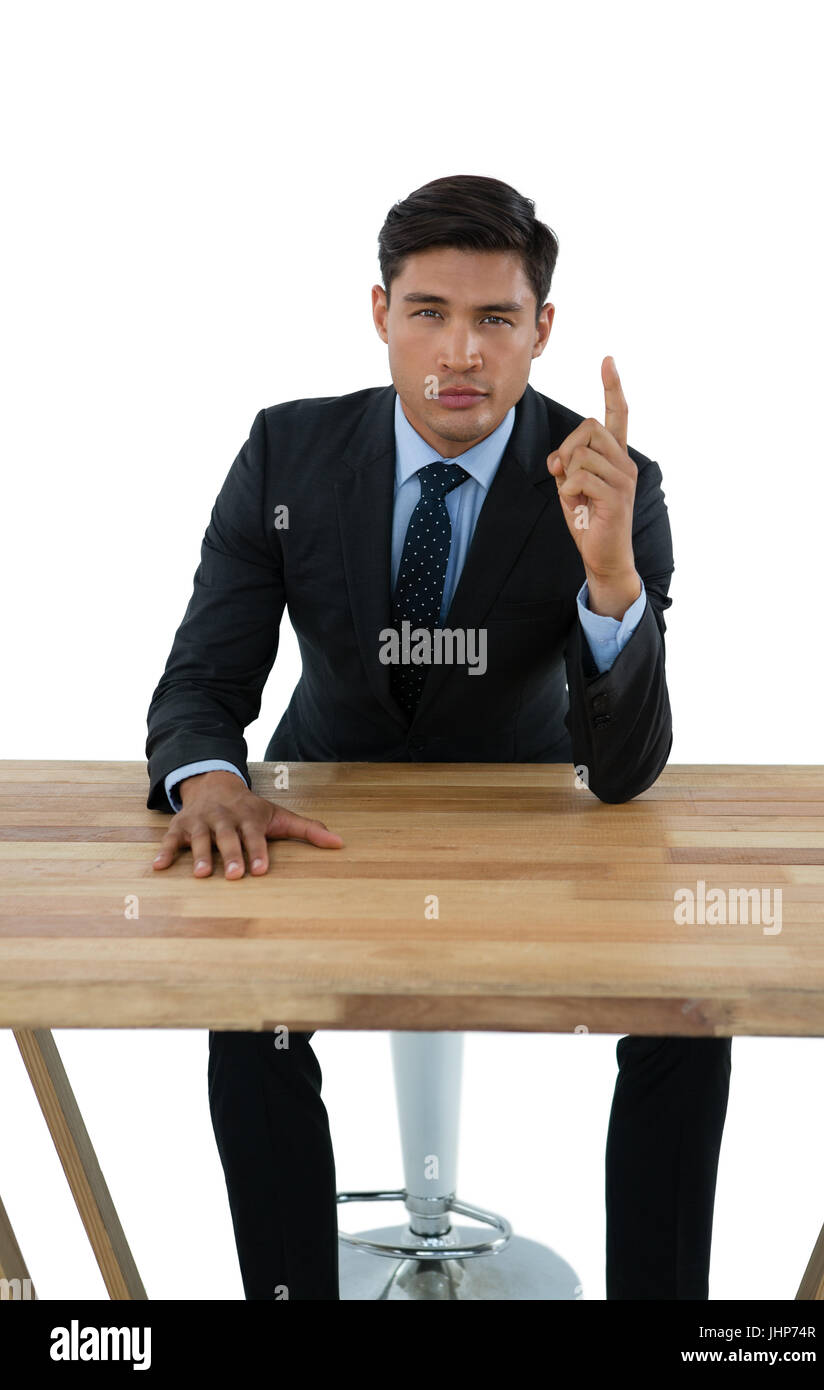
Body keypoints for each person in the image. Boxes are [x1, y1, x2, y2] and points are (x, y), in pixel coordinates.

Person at [146, 173, 731, 1300]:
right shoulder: (287, 453)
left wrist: (608, 572)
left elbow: (622, 772)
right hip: (327, 814)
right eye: (428, 314)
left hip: (528, 828)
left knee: (688, 1017)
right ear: (380, 316)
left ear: (539, 331)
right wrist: (210, 776)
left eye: (494, 320)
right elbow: (203, 674)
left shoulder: (608, 481)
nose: (459, 353)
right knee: (247, 1020)